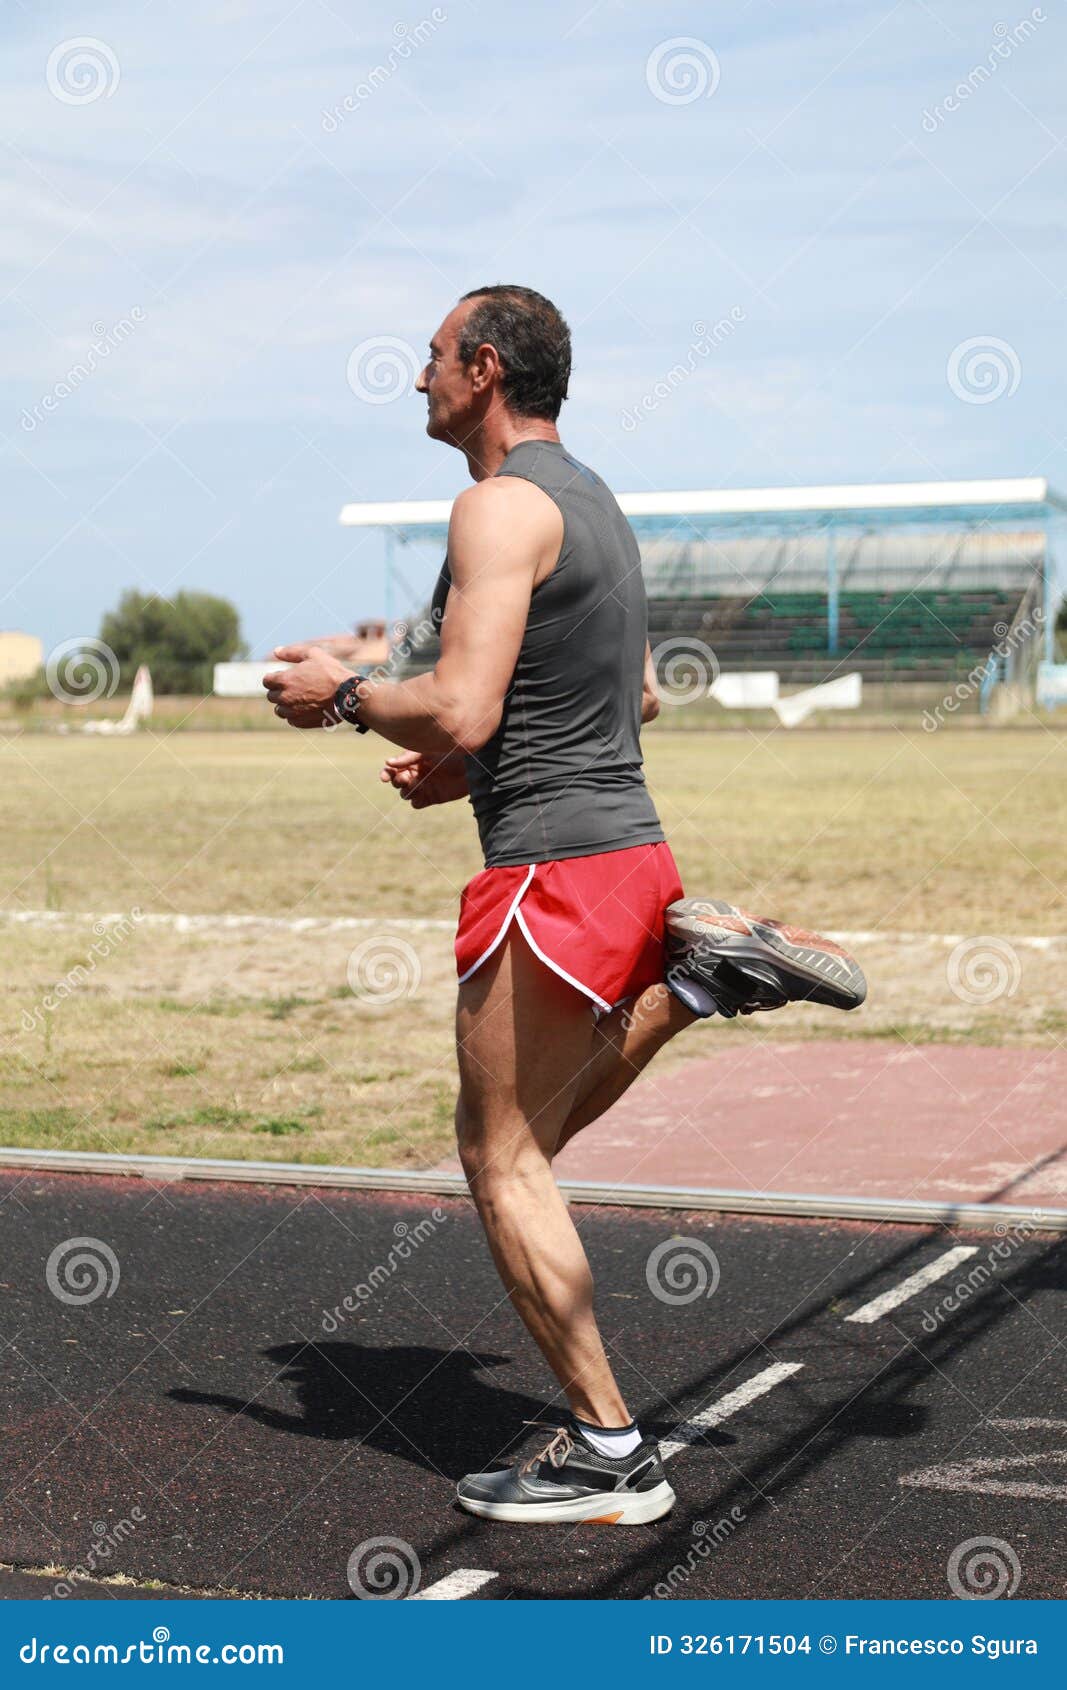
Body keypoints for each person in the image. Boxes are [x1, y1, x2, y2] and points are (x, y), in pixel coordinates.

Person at [264, 286, 866, 1526]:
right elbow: (631, 694)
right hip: (631, 854)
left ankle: (608, 1450)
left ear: (484, 369)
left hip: (550, 866)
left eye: (432, 358)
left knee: (496, 1156)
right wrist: (459, 766)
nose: (415, 378)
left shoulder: (493, 506)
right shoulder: (591, 501)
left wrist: (346, 693)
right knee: (527, 1140)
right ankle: (700, 978)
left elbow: (468, 700)